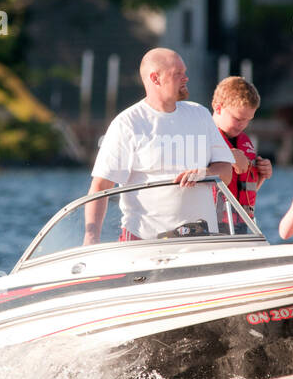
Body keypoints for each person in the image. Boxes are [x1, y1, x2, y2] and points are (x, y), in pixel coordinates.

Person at [85, 48, 234, 243]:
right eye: (178, 73)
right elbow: (100, 185)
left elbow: (226, 171)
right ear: (155, 78)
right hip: (145, 242)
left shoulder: (201, 114)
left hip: (202, 240)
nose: (186, 78)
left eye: (185, 72)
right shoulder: (128, 123)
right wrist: (91, 237)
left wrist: (203, 173)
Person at [210, 76, 273, 225]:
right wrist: (228, 156)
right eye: (238, 119)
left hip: (243, 224)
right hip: (212, 225)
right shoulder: (204, 138)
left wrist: (262, 175)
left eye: (248, 120)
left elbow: (244, 190)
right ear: (218, 108)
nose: (243, 125)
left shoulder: (244, 142)